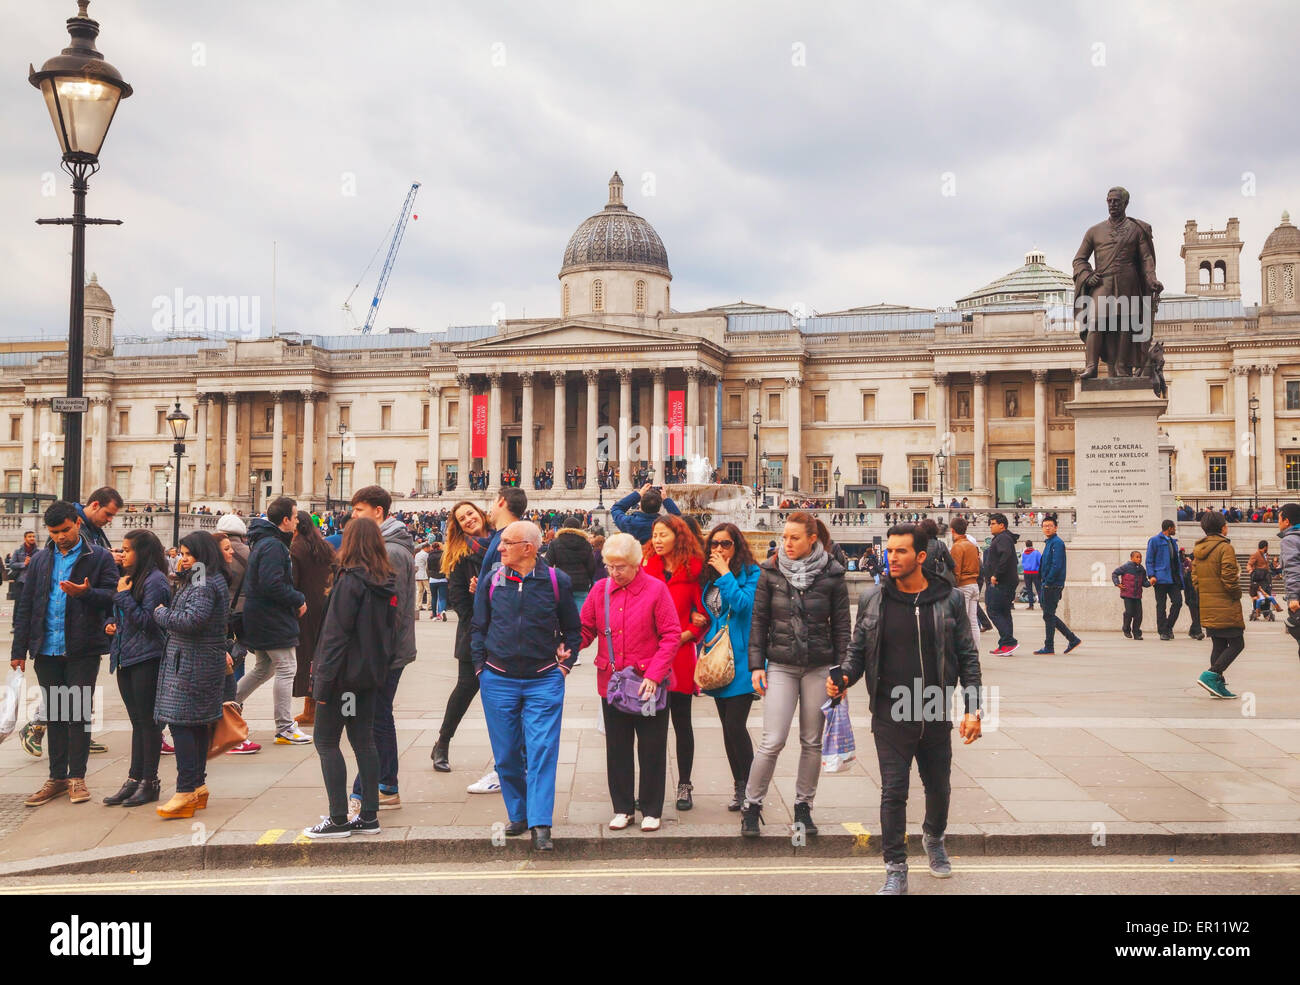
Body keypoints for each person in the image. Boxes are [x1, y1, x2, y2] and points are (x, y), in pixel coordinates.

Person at [828, 523, 983, 895]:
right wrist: (845, 677)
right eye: (890, 551)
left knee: (939, 788)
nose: (891, 557)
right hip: (890, 711)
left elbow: (968, 657)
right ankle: (895, 866)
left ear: (921, 556)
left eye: (900, 551)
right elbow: (858, 652)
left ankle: (934, 837)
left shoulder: (949, 600)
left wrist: (973, 708)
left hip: (932, 708)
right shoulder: (873, 598)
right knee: (893, 791)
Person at [471, 521, 581, 851]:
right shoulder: (492, 580)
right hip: (497, 678)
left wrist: (563, 666)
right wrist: (481, 669)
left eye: (507, 542)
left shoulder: (555, 581)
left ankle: (540, 823)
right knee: (506, 756)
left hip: (544, 679)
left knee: (542, 752)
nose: (500, 547)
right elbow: (478, 627)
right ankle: (518, 814)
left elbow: (573, 631)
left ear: (528, 548)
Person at [742, 512, 851, 838]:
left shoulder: (833, 574)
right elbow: (759, 621)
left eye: (794, 538)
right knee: (772, 740)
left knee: (811, 741)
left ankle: (803, 807)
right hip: (780, 665)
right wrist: (756, 665)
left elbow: (843, 628)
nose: (786, 544)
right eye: (785, 537)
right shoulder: (771, 571)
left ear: (811, 540)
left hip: (819, 666)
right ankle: (752, 805)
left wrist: (843, 674)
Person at [10, 501, 117, 807]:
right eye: (54, 532)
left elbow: (112, 597)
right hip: (47, 648)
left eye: (65, 530)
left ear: (77, 523)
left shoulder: (97, 558)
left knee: (78, 714)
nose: (60, 537)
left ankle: (77, 777)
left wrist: (86, 594)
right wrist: (19, 649)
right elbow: (27, 605)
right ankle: (56, 777)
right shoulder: (42, 559)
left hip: (81, 648)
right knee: (56, 714)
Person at [302, 518, 398, 838]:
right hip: (368, 677)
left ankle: (338, 818)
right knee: (363, 742)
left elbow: (335, 636)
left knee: (326, 741)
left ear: (351, 542)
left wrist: (322, 684)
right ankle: (369, 815)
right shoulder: (384, 581)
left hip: (343, 678)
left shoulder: (350, 581)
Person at [579, 533, 681, 831]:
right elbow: (586, 629)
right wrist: (568, 645)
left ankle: (651, 808)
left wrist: (654, 674)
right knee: (617, 747)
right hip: (613, 684)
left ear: (637, 564)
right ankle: (622, 808)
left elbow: (671, 635)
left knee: (652, 747)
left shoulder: (656, 590)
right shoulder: (600, 590)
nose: (613, 572)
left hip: (647, 685)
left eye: (620, 566)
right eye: (609, 565)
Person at [345, 486, 417, 816]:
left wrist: (379, 652)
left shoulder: (393, 552)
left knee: (374, 719)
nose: (353, 516)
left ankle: (373, 786)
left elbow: (395, 609)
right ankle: (386, 784)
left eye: (358, 510)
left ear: (377, 512)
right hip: (386, 650)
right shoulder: (386, 547)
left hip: (387, 652)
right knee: (379, 716)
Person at [153, 531, 231, 819]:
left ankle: (186, 790)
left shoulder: (202, 582)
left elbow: (191, 620)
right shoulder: (210, 577)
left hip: (191, 661)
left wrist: (160, 613)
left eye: (188, 554)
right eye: (182, 554)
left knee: (182, 724)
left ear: (202, 554)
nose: (183, 560)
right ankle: (197, 786)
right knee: (197, 724)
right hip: (199, 659)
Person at [464, 486, 528, 795]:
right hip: (505, 640)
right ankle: (514, 768)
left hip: (499, 642)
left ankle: (507, 772)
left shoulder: (505, 538)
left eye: (492, 501)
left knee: (505, 714)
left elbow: (503, 592)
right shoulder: (509, 537)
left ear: (501, 501)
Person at [641, 514, 706, 811]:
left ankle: (684, 784)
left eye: (662, 534)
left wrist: (689, 633)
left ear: (677, 537)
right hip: (649, 657)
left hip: (679, 657)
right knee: (650, 726)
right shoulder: (645, 568)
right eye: (654, 534)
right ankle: (649, 789)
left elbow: (704, 614)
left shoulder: (693, 571)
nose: (656, 539)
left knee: (682, 723)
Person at [103, 530, 172, 807]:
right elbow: (125, 616)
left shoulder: (155, 581)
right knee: (138, 723)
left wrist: (122, 597)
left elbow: (150, 621)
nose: (122, 554)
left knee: (148, 723)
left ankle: (150, 781)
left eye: (127, 549)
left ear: (142, 552)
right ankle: (134, 779)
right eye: (121, 549)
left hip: (147, 658)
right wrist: (110, 622)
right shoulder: (130, 579)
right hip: (126, 656)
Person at [236, 496, 311, 744]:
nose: (298, 520)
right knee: (287, 668)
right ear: (286, 520)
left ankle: (224, 706)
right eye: (296, 516)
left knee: (264, 668)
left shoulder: (264, 542)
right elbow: (272, 584)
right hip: (271, 617)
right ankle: (285, 727)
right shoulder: (274, 546)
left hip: (260, 615)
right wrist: (297, 598)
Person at [700, 523, 761, 811]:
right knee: (727, 729)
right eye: (714, 544)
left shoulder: (752, 573)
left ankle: (751, 790)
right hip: (718, 659)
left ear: (737, 545)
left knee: (736, 726)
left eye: (725, 544)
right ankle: (739, 787)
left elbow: (742, 605)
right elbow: (712, 611)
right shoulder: (708, 575)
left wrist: (725, 574)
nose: (719, 549)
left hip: (742, 659)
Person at [431, 501, 491, 772]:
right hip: (474, 633)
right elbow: (457, 600)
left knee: (502, 700)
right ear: (457, 526)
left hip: (506, 633)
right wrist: (476, 601)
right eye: (462, 518)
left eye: (470, 513)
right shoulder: (458, 554)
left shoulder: (502, 542)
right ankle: (442, 742)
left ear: (480, 514)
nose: (468, 519)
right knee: (465, 689)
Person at [1191, 512, 1244, 699]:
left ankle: (1217, 686)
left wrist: (1205, 595)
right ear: (1222, 527)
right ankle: (1210, 675)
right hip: (1225, 604)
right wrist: (1237, 594)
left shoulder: (1199, 549)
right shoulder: (1224, 547)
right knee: (1237, 643)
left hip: (1207, 604)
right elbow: (1229, 577)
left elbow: (1195, 578)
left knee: (1219, 644)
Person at [291, 509, 336, 728]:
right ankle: (320, 705)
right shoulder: (325, 546)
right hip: (325, 606)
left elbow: (293, 581)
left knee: (306, 657)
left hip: (305, 608)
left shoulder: (296, 548)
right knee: (319, 656)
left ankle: (310, 709)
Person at [1034, 514, 1082, 655]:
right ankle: (1071, 639)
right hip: (1047, 583)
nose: (1047, 528)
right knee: (1048, 615)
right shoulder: (1049, 542)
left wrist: (1048, 581)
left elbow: (1057, 565)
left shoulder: (1057, 543)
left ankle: (1051, 646)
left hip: (1052, 585)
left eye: (1050, 526)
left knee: (1048, 615)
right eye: (1045, 526)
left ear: (1056, 528)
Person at [981, 513, 1020, 656]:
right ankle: (1005, 645)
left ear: (1001, 525)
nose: (990, 526)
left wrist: (995, 574)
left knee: (993, 610)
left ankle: (1008, 641)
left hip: (1000, 582)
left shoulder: (1003, 538)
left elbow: (1006, 556)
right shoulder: (1003, 538)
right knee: (1004, 612)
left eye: (993, 523)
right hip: (1005, 581)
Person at [545, 515, 597, 613]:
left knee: (563, 616)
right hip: (581, 583)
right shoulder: (586, 544)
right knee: (581, 616)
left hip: (561, 582)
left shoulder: (555, 543)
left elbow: (548, 564)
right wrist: (590, 579)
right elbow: (591, 566)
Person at [1145, 519, 1183, 640]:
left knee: (1178, 602)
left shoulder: (1173, 542)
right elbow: (1149, 560)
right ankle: (1163, 631)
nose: (1175, 530)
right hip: (1160, 578)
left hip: (1173, 578)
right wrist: (1151, 575)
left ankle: (1168, 627)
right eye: (1174, 528)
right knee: (1161, 606)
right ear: (1169, 528)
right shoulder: (1154, 540)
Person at [611, 483, 682, 544]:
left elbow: (616, 508)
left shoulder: (629, 522)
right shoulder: (665, 525)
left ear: (640, 505)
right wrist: (666, 500)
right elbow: (679, 520)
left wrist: (638, 494)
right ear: (659, 507)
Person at [948, 515, 981, 645]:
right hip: (974, 584)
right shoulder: (972, 546)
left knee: (962, 623)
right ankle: (975, 652)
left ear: (952, 530)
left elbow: (956, 571)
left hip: (963, 586)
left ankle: (964, 655)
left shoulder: (957, 546)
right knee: (973, 623)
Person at [1111, 550, 1147, 639]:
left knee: (1139, 615)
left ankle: (1137, 633)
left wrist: (1152, 582)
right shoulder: (1126, 567)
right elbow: (1115, 573)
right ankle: (1126, 628)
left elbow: (1144, 583)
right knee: (1129, 612)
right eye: (1137, 557)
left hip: (1137, 595)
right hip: (1127, 594)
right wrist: (1117, 583)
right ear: (1132, 558)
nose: (1139, 559)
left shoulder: (1142, 569)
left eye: (1140, 557)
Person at [428, 541, 448, 621]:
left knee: (434, 597)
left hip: (433, 579)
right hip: (443, 578)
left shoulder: (430, 556)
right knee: (442, 597)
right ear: (440, 547)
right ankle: (442, 611)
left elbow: (428, 567)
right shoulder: (444, 555)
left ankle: (434, 614)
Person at [1020, 539, 1041, 609]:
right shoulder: (1036, 553)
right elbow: (1040, 562)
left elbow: (1022, 563)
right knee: (1039, 589)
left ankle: (1031, 605)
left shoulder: (1023, 554)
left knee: (1029, 589)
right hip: (1035, 573)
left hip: (1026, 573)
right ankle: (1042, 605)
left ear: (1026, 545)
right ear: (1032, 544)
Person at [414, 540, 431, 616]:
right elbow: (427, 565)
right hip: (424, 574)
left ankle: (418, 605)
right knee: (428, 591)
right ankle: (428, 605)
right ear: (426, 548)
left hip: (417, 574)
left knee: (419, 591)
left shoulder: (417, 554)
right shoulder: (426, 555)